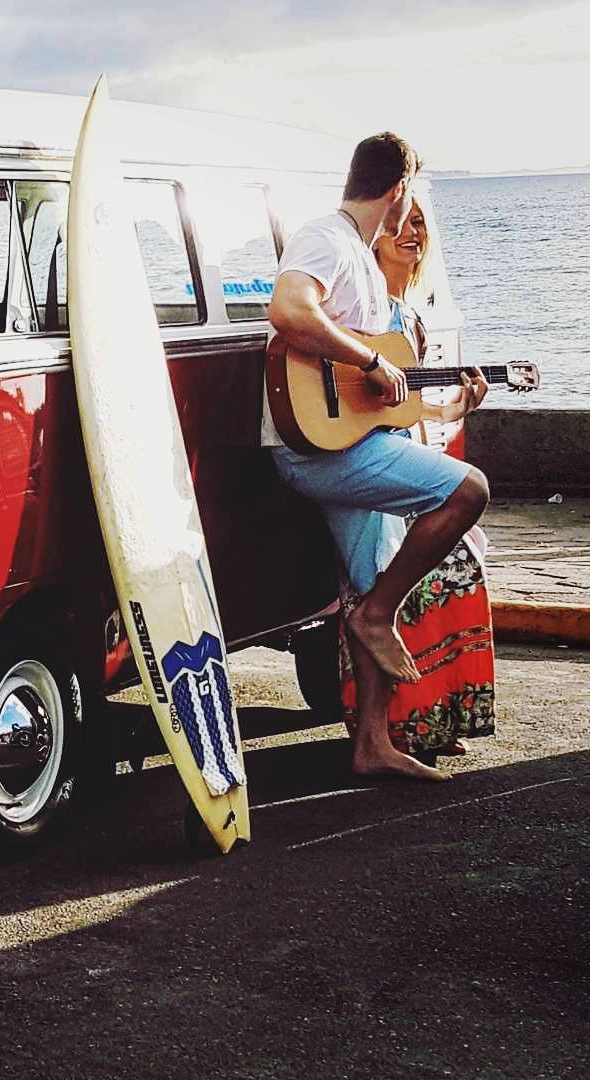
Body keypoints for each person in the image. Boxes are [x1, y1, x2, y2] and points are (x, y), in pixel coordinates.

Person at [265, 132, 490, 782]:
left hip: (352, 441)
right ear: (398, 190)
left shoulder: (358, 255)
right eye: (409, 195)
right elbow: (288, 308)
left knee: (371, 573)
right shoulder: (327, 239)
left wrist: (444, 404)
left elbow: (376, 397)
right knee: (468, 490)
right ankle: (376, 616)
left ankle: (372, 743)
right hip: (319, 452)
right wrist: (367, 358)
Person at [335, 198, 497, 761]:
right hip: (356, 454)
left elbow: (408, 415)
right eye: (400, 223)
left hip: (397, 452)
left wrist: (459, 410)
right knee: (378, 583)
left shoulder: (412, 320)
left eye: (420, 224)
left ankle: (426, 721)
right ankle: (379, 736)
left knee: (458, 562)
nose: (411, 233)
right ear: (375, 234)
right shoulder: (357, 306)